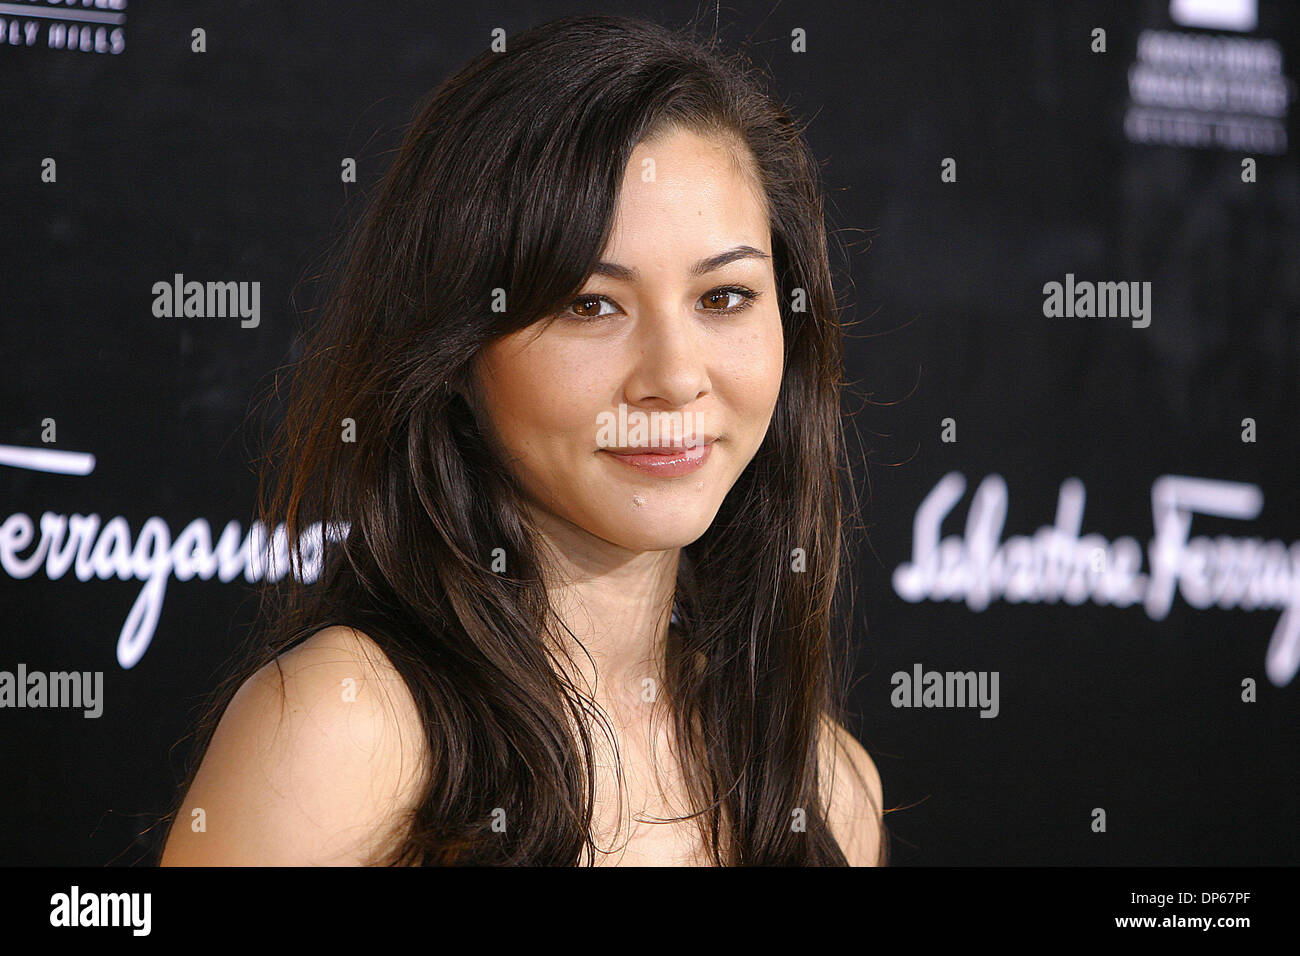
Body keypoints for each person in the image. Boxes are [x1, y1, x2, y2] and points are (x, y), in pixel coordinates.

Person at [159, 12, 885, 866]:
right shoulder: (344, 730)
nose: (675, 375)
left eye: (724, 297)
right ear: (458, 350)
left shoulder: (826, 784)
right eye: (590, 305)